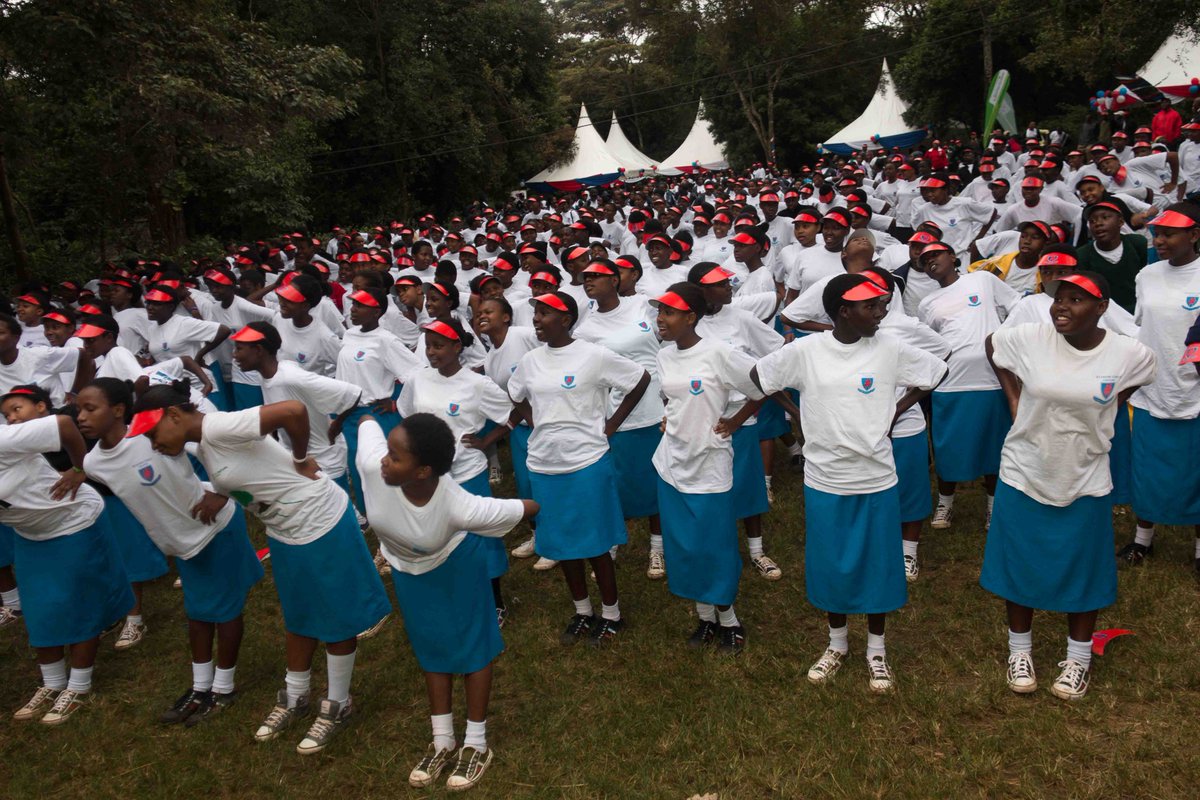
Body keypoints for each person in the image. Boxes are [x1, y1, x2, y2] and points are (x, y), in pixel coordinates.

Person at [127, 383, 391, 754]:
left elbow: (293, 412)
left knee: (335, 616)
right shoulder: (203, 443)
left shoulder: (218, 427)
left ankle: (337, 704)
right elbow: (245, 471)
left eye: (153, 434)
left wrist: (301, 456)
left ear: (173, 416)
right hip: (284, 529)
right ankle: (295, 695)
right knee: (298, 616)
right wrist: (224, 491)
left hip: (318, 519)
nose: (153, 444)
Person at [751, 274, 947, 692]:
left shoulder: (890, 348)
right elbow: (761, 378)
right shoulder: (806, 351)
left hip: (876, 478)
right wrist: (797, 413)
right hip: (825, 479)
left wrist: (896, 409)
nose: (881, 312)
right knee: (832, 564)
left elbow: (935, 371)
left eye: (882, 304)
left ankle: (877, 651)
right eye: (871, 306)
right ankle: (836, 644)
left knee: (879, 564)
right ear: (844, 311)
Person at [984, 272, 1155, 700]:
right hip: (1025, 469)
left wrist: (1111, 404)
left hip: (1084, 475)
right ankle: (1019, 652)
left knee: (1085, 568)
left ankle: (1078, 659)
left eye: (1077, 299)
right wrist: (1014, 397)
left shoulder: (1126, 352)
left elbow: (1143, 374)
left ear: (1101, 308)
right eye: (1059, 298)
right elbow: (992, 345)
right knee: (1018, 563)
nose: (1062, 306)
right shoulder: (1030, 338)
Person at [355, 412, 537, 792]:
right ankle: (442, 740)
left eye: (396, 457)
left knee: (472, 649)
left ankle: (476, 742)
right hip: (407, 574)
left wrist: (543, 504)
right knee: (431, 647)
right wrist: (370, 417)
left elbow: (517, 509)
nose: (384, 461)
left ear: (423, 471)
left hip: (454, 568)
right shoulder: (374, 467)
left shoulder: (458, 505)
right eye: (388, 451)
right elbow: (368, 423)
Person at [75, 378, 263, 725]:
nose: (81, 417)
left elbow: (225, 448)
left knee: (225, 611)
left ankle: (223, 688)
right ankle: (199, 687)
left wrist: (223, 491)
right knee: (197, 615)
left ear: (118, 410)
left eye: (90, 408)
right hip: (180, 545)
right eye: (78, 410)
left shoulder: (151, 436)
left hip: (215, 531)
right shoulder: (93, 465)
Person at [507, 292, 650, 645]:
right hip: (544, 464)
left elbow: (639, 379)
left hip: (586, 462)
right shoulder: (530, 361)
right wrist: (536, 422)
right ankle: (583, 611)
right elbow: (516, 394)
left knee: (596, 543)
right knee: (562, 542)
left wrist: (611, 424)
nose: (537, 320)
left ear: (567, 319)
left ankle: (612, 613)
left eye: (544, 314)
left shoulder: (593, 355)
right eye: (535, 314)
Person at [1, 385, 133, 725]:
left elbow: (62, 425)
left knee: (78, 603)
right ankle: (52, 684)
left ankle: (78, 685)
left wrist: (79, 467)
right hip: (32, 535)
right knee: (40, 608)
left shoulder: (4, 441)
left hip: (74, 521)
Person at [652, 283, 764, 652]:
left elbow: (761, 387)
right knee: (684, 542)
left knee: (714, 543)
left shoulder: (719, 353)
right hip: (671, 462)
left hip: (710, 462)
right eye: (659, 311)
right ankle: (704, 617)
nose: (661, 319)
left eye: (669, 312)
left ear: (691, 316)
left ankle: (729, 619)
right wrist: (670, 419)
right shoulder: (665, 355)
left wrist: (732, 422)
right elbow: (671, 396)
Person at [397, 319, 515, 624]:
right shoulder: (417, 380)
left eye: (438, 346)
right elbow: (408, 415)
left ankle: (495, 601)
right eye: (428, 346)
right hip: (429, 478)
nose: (431, 352)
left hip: (467, 474)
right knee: (438, 536)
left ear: (457, 347)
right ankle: (453, 594)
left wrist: (486, 440)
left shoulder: (477, 385)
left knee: (479, 536)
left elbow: (511, 414)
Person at [917, 241, 1021, 531]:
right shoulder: (928, 303)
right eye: (925, 261)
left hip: (992, 380)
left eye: (935, 254)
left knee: (994, 446)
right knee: (947, 447)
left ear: (953, 256)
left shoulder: (983, 280)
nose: (930, 262)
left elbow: (1017, 306)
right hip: (950, 383)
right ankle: (945, 503)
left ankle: (993, 506)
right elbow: (930, 342)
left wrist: (1003, 336)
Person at [574, 259, 666, 579]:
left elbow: (668, 338)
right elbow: (590, 377)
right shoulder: (586, 329)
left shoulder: (642, 305)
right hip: (620, 413)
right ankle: (614, 541)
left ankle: (657, 547)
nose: (589, 281)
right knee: (619, 483)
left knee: (657, 480)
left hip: (659, 407)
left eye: (596, 276)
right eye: (585, 277)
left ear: (615, 280)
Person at [1120, 203, 1200, 568]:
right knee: (1148, 469)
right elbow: (1142, 326)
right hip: (1153, 388)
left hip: (1194, 390)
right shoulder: (1147, 275)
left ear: (1194, 235)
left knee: (1195, 471)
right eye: (1157, 233)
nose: (1160, 239)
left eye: (1169, 233)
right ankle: (1142, 540)